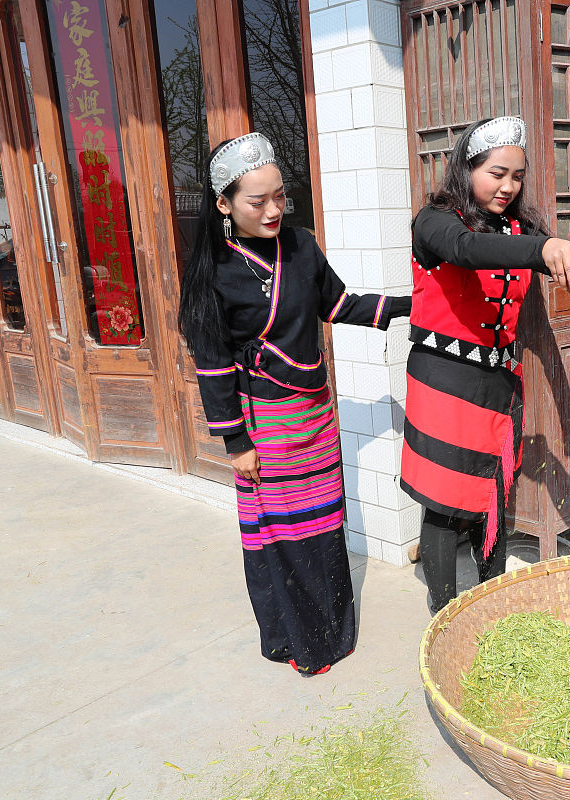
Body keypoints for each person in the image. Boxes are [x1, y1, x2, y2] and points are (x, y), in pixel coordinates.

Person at [178, 133, 411, 676]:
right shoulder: (214, 271)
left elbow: (339, 303)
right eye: (257, 202)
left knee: (325, 523)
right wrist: (235, 442)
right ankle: (298, 641)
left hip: (316, 415)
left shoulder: (301, 246)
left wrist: (407, 307)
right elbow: (212, 365)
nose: (274, 210)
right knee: (284, 533)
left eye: (280, 196)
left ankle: (332, 628)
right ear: (224, 205)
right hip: (266, 424)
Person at [400, 116, 570, 614]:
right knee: (442, 501)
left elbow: (554, 260)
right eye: (497, 173)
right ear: (467, 167)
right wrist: (539, 248)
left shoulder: (517, 228)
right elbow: (466, 251)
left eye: (518, 176)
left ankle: (490, 603)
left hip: (498, 380)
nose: (509, 186)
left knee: (493, 493)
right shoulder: (435, 220)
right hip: (443, 379)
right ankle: (445, 615)